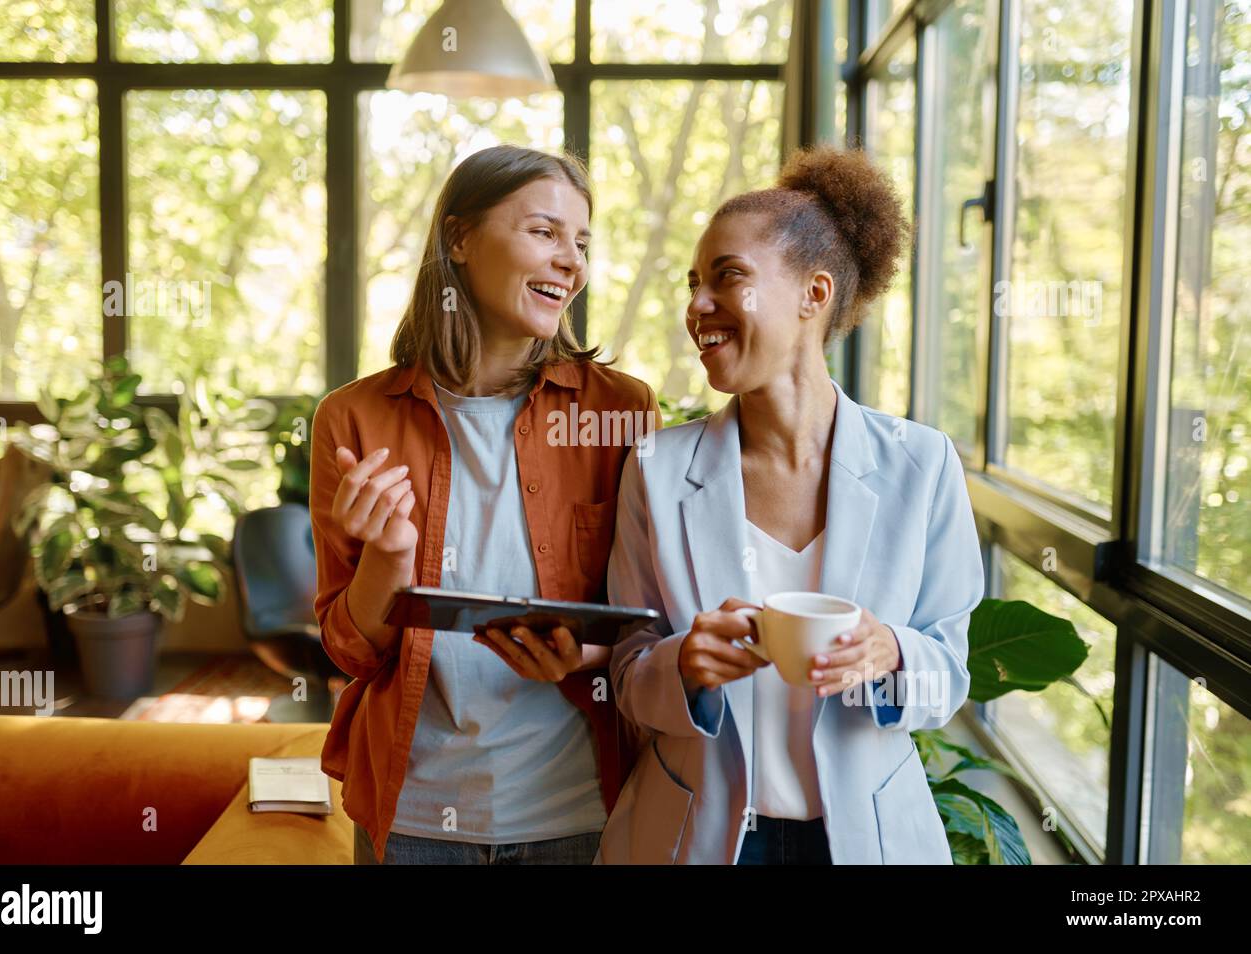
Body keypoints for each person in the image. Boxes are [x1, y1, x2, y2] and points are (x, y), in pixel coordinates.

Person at [596, 144, 984, 865]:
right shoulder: (656, 467)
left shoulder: (921, 466)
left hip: (863, 842)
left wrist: (892, 651)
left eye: (728, 278)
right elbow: (625, 672)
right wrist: (684, 663)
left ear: (815, 293)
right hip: (700, 837)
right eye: (692, 285)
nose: (696, 307)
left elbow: (948, 674)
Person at [309, 144, 658, 865]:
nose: (572, 261)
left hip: (577, 810)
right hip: (411, 819)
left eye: (581, 242)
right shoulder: (352, 419)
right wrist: (389, 558)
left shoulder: (622, 411)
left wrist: (583, 651)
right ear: (460, 239)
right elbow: (347, 652)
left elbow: (654, 616)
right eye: (544, 232)